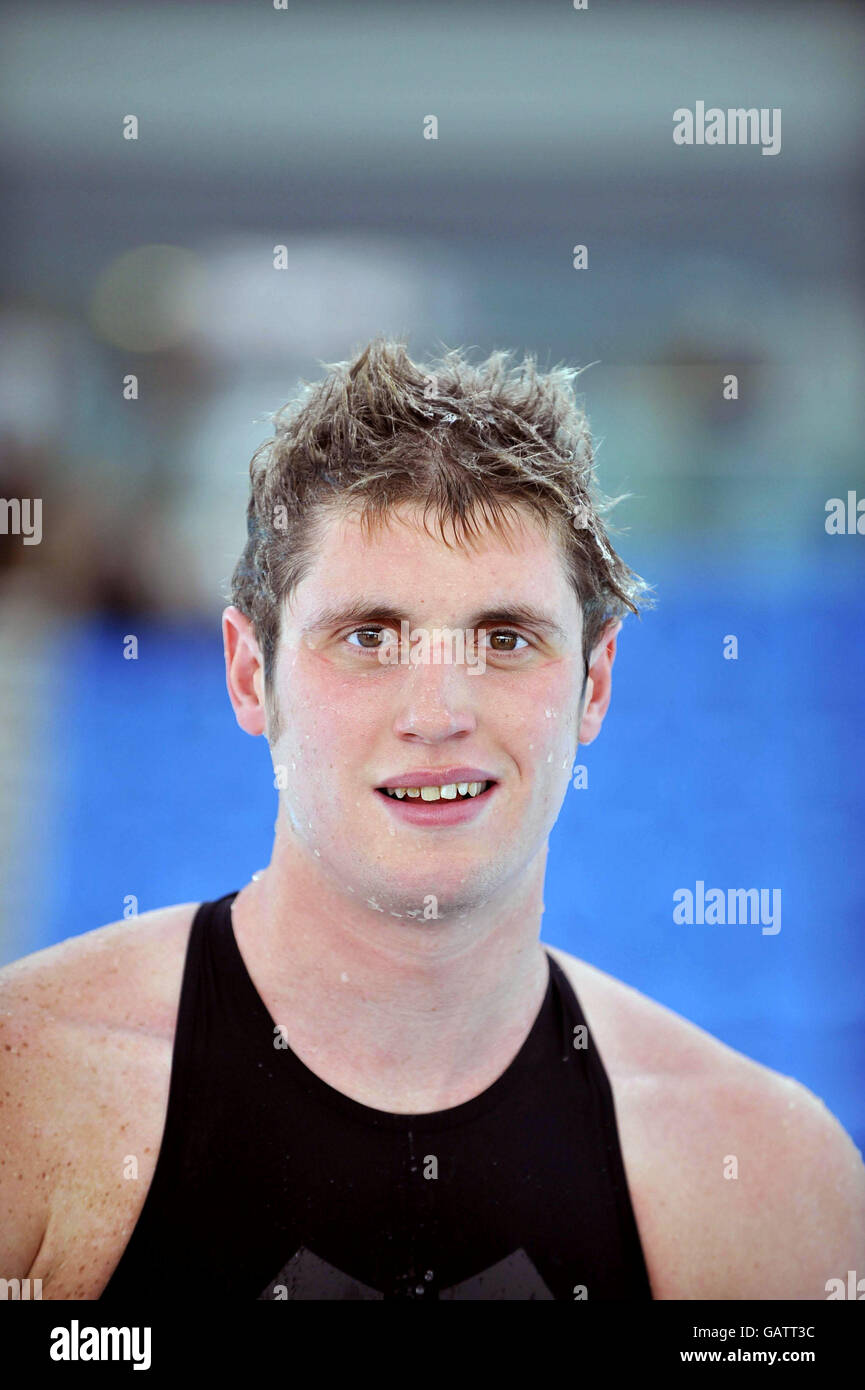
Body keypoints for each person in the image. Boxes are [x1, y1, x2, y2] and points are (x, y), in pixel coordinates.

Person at [1, 339, 862, 1301]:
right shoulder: (27, 1097)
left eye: (505, 639)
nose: (439, 711)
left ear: (596, 682)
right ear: (251, 675)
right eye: (369, 636)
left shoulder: (766, 1180)